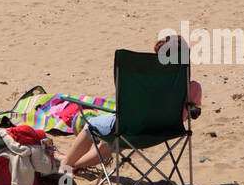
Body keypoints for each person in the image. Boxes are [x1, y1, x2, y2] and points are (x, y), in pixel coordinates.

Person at [60, 34, 202, 173]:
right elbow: (192, 113)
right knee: (111, 142)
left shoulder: (147, 82)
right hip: (166, 132)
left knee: (90, 126)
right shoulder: (193, 88)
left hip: (130, 130)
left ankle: (63, 166)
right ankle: (74, 165)